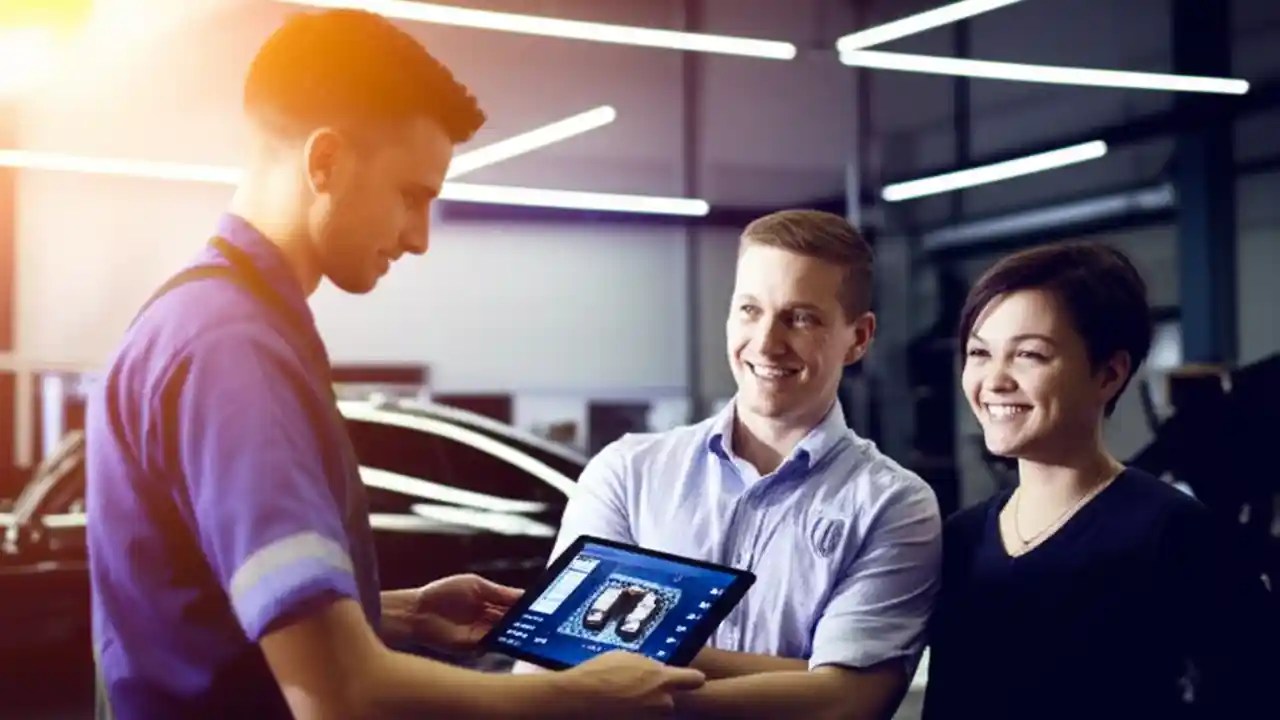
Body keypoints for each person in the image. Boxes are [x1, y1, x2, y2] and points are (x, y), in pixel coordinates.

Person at [84, 8, 703, 719]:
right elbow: (338, 695)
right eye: (412, 197)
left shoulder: (194, 315)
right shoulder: (233, 348)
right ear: (324, 162)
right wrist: (577, 694)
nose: (419, 239)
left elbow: (214, 614)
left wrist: (399, 613)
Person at [517, 210, 943, 720]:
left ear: (859, 338)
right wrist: (802, 676)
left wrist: (627, 670)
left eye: (800, 318)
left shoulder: (893, 506)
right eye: (749, 310)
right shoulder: (628, 475)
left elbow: (845, 704)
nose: (766, 343)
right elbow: (544, 664)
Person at [921, 241, 1278, 719]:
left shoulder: (1176, 536)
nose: (995, 380)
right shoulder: (960, 541)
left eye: (1029, 354)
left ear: (1109, 374)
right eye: (979, 353)